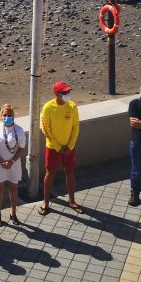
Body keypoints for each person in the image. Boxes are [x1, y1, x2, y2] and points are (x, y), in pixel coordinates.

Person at [39, 81, 82, 215]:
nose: (67, 94)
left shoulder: (72, 106)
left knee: (70, 172)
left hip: (69, 147)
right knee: (50, 174)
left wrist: (70, 145)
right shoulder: (48, 107)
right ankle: (45, 201)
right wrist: (58, 147)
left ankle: (72, 200)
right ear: (56, 94)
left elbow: (76, 127)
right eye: (64, 93)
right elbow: (45, 129)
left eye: (68, 92)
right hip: (53, 148)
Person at [0, 103, 25, 226]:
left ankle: (13, 213)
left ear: (13, 116)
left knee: (13, 189)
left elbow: (21, 148)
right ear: (1, 116)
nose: (7, 117)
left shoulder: (19, 130)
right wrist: (1, 161)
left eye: (10, 115)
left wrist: (12, 161)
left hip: (13, 164)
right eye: (5, 115)